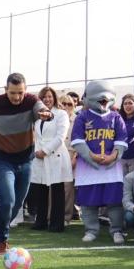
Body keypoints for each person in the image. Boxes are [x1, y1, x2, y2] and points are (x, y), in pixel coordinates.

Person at [0, 73, 51, 255]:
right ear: (6, 90)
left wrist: (46, 115)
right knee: (8, 200)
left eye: (20, 92)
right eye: (13, 93)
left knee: (17, 204)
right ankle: (2, 240)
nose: (17, 97)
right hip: (1, 160)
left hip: (26, 160)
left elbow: (42, 110)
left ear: (25, 91)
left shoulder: (31, 101)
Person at [71, 80, 128, 244]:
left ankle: (116, 230)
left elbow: (122, 138)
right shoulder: (82, 117)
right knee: (89, 202)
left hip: (112, 168)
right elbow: (77, 140)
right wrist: (91, 156)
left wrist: (114, 156)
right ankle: (91, 230)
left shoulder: (116, 117)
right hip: (88, 168)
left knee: (114, 201)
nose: (103, 100)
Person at [29, 87, 72, 232]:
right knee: (40, 190)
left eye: (49, 96)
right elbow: (36, 137)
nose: (47, 99)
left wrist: (46, 151)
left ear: (54, 97)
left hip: (55, 156)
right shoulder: (37, 116)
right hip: (39, 157)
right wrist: (37, 152)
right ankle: (40, 222)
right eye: (44, 97)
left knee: (57, 191)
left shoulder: (61, 114)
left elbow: (61, 136)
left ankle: (56, 224)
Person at [59, 94, 78, 223]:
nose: (66, 106)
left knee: (68, 188)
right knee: (53, 188)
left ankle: (66, 216)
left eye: (69, 104)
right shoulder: (55, 118)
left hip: (71, 154)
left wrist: (75, 157)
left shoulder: (77, 120)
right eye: (63, 104)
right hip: (55, 154)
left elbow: (81, 140)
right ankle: (52, 215)